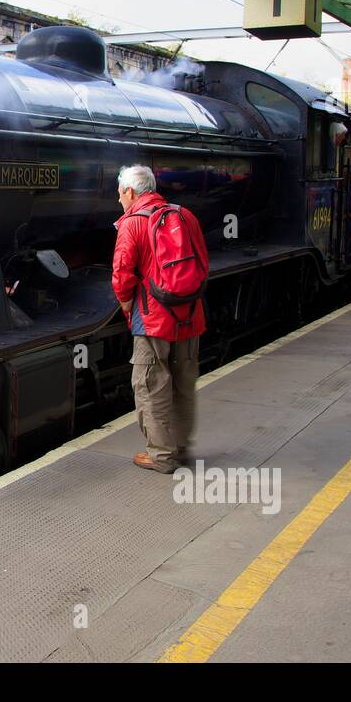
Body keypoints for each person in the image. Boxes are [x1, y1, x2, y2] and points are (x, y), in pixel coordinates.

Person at [112, 165, 208, 474]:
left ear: (129, 192)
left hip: (153, 317)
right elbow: (203, 263)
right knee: (184, 382)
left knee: (151, 384)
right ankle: (180, 449)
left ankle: (161, 455)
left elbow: (122, 274)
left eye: (120, 194)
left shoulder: (132, 223)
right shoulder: (185, 215)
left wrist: (127, 305)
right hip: (190, 314)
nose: (119, 201)